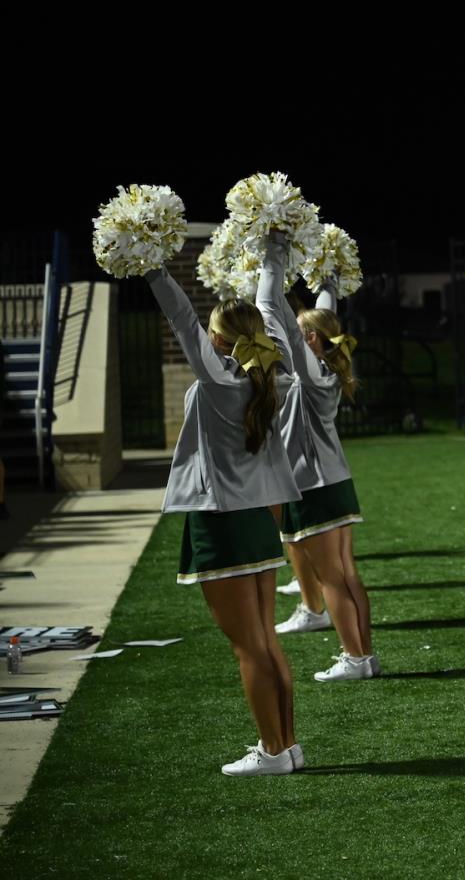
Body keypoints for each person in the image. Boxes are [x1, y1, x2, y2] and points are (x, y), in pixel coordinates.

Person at [145, 264, 303, 776]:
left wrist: (151, 267)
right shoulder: (265, 373)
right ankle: (286, 745)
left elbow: (179, 317)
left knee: (249, 645)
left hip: (222, 520)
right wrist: (273, 254)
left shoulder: (217, 379)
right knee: (265, 640)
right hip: (257, 518)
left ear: (218, 338)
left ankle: (274, 750)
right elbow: (272, 308)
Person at [258, 233, 377, 681]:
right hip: (333, 482)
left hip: (313, 486)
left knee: (333, 578)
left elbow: (280, 314)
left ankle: (356, 657)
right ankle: (363, 656)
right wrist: (327, 274)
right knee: (346, 574)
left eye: (299, 335)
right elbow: (318, 318)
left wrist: (275, 250)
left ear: (309, 339)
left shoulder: (310, 375)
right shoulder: (324, 368)